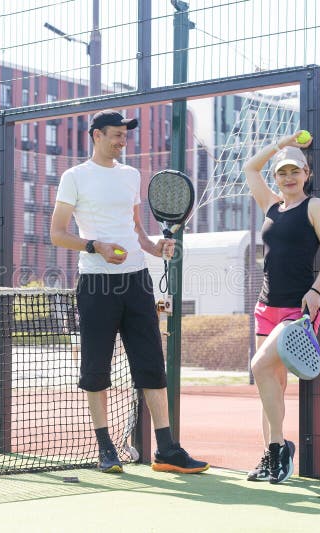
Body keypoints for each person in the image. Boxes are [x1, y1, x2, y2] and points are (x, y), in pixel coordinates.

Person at [50, 109, 209, 475]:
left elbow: (136, 229)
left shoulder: (131, 175)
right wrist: (95, 246)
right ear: (96, 136)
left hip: (137, 282)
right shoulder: (74, 177)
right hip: (96, 283)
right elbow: (57, 233)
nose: (122, 141)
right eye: (116, 135)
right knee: (95, 369)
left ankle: (167, 450)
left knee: (152, 365)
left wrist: (156, 248)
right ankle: (106, 448)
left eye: (125, 135)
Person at [242, 131, 320, 484]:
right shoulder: (270, 205)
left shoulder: (315, 207)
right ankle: (273, 452)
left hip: (297, 312)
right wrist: (281, 144)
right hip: (266, 307)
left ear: (306, 174)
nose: (288, 177)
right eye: (282, 172)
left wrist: (316, 290)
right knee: (270, 387)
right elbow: (250, 168)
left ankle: (277, 450)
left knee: (258, 367)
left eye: (295, 171)